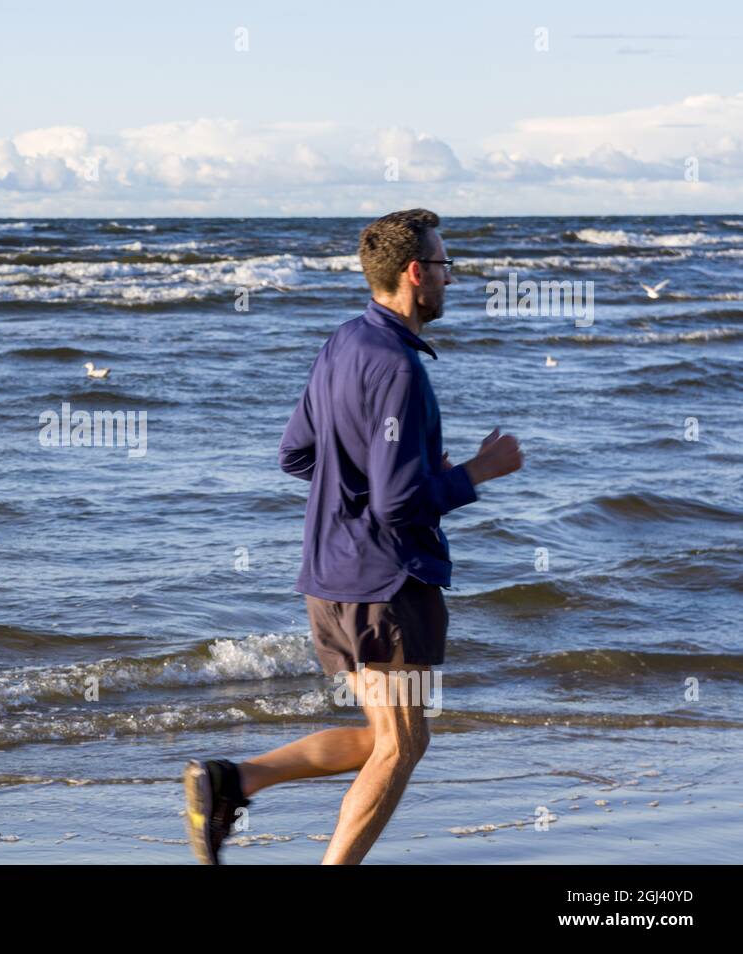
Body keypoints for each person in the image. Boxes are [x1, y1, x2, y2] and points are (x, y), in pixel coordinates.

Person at [183, 209, 523, 865]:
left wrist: (383, 488)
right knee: (399, 746)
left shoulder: (342, 343)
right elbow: (398, 505)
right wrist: (479, 471)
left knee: (393, 738)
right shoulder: (398, 368)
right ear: (416, 273)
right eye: (447, 267)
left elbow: (298, 455)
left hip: (330, 582)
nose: (453, 281)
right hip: (386, 587)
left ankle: (234, 780)